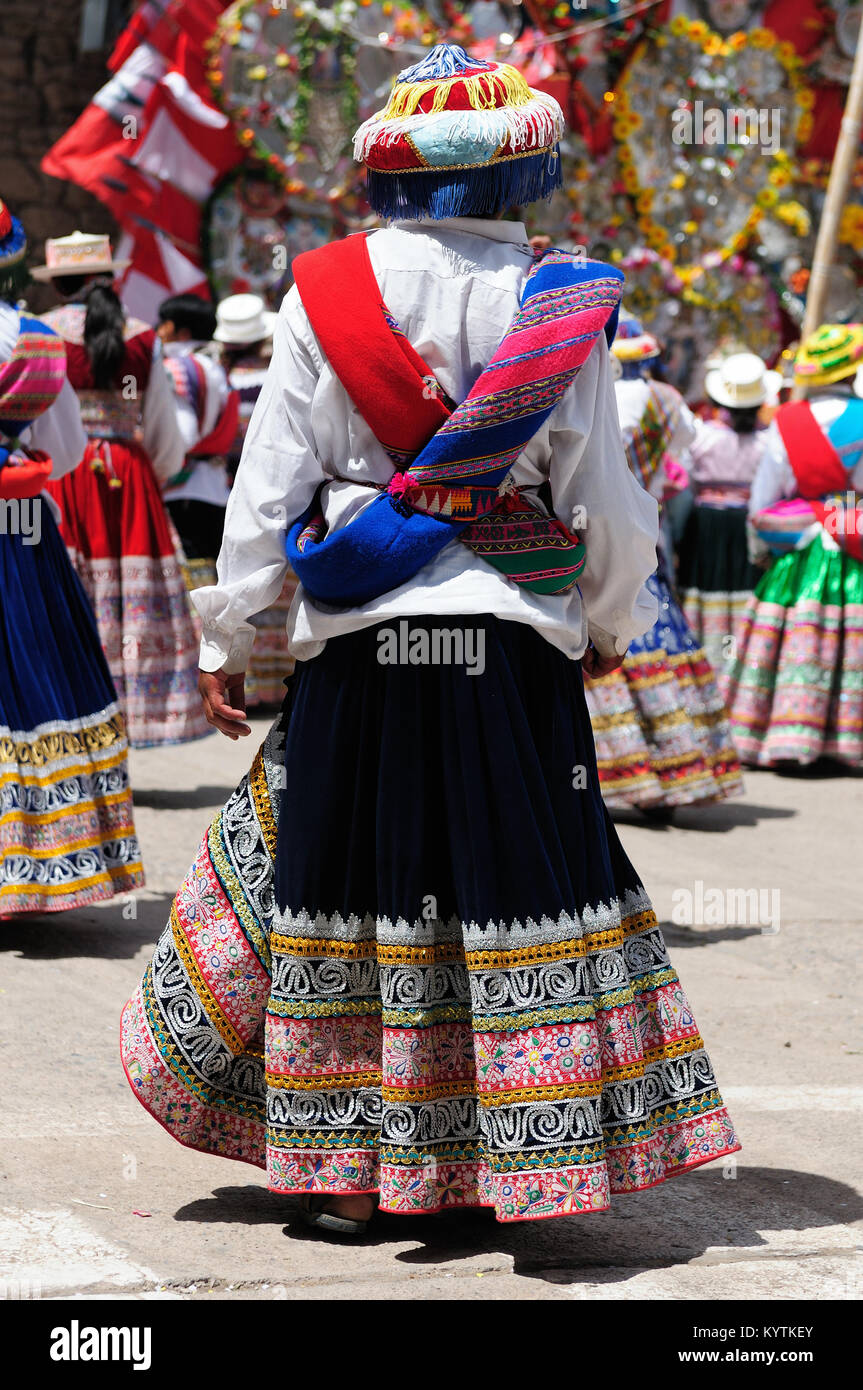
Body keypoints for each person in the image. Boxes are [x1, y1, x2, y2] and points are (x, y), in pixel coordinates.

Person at [121, 44, 739, 1233]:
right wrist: (606, 619)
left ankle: (347, 1174)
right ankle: (534, 1172)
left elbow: (268, 486)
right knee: (518, 886)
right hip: (508, 638)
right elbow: (606, 499)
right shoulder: (560, 305)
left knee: (347, 886)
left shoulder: (321, 291)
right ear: (525, 171)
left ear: (388, 175)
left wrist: (227, 635)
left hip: (361, 634)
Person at [0, 202, 143, 916]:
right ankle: (42, 865)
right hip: (20, 530)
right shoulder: (29, 341)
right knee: (35, 676)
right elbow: (62, 454)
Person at [31, 232, 210, 748]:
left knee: (69, 595)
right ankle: (134, 722)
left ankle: (72, 727)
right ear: (107, 276)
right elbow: (163, 432)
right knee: (131, 599)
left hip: (65, 476)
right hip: (126, 475)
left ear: (59, 283)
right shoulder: (142, 337)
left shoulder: (41, 333)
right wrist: (153, 472)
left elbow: (38, 418)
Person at [584, 315, 744, 811]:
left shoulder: (607, 400)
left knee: (606, 634)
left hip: (606, 525)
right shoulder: (668, 401)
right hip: (648, 527)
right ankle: (679, 771)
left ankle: (625, 775)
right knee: (658, 638)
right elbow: (685, 446)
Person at [727, 324, 863, 768]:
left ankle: (785, 735)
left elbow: (763, 499)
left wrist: (761, 552)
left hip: (800, 545)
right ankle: (846, 740)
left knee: (788, 635)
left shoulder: (787, 420)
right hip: (854, 537)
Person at [214, 292, 298, 707]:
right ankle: (276, 684)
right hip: (278, 490)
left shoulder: (219, 378)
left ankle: (236, 677)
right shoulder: (276, 374)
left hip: (226, 490)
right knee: (279, 585)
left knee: (238, 578)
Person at [678, 352, 778, 695]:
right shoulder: (770, 440)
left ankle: (709, 674)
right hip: (749, 525)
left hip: (706, 527)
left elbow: (685, 487)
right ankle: (744, 673)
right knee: (746, 595)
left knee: (705, 596)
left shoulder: (701, 437)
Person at [157, 293, 235, 595]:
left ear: (181, 331)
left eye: (164, 324)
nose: (159, 331)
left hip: (183, 487)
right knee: (214, 572)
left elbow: (185, 433)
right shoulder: (215, 366)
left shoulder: (175, 368)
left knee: (192, 578)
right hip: (215, 485)